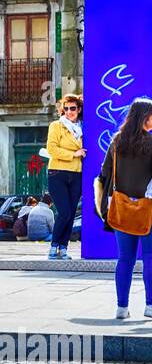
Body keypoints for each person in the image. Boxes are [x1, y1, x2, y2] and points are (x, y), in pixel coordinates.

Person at [95, 98, 152, 321]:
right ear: (145, 116)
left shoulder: (117, 141)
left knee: (125, 259)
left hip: (121, 206)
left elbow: (104, 173)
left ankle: (121, 307)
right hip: (150, 207)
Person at [45, 93, 86, 259]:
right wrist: (74, 154)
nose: (69, 112)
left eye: (73, 108)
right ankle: (53, 246)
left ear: (79, 109)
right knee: (64, 212)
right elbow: (52, 149)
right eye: (66, 109)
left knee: (71, 212)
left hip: (76, 174)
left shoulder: (84, 128)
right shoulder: (56, 126)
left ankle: (63, 248)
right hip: (57, 173)